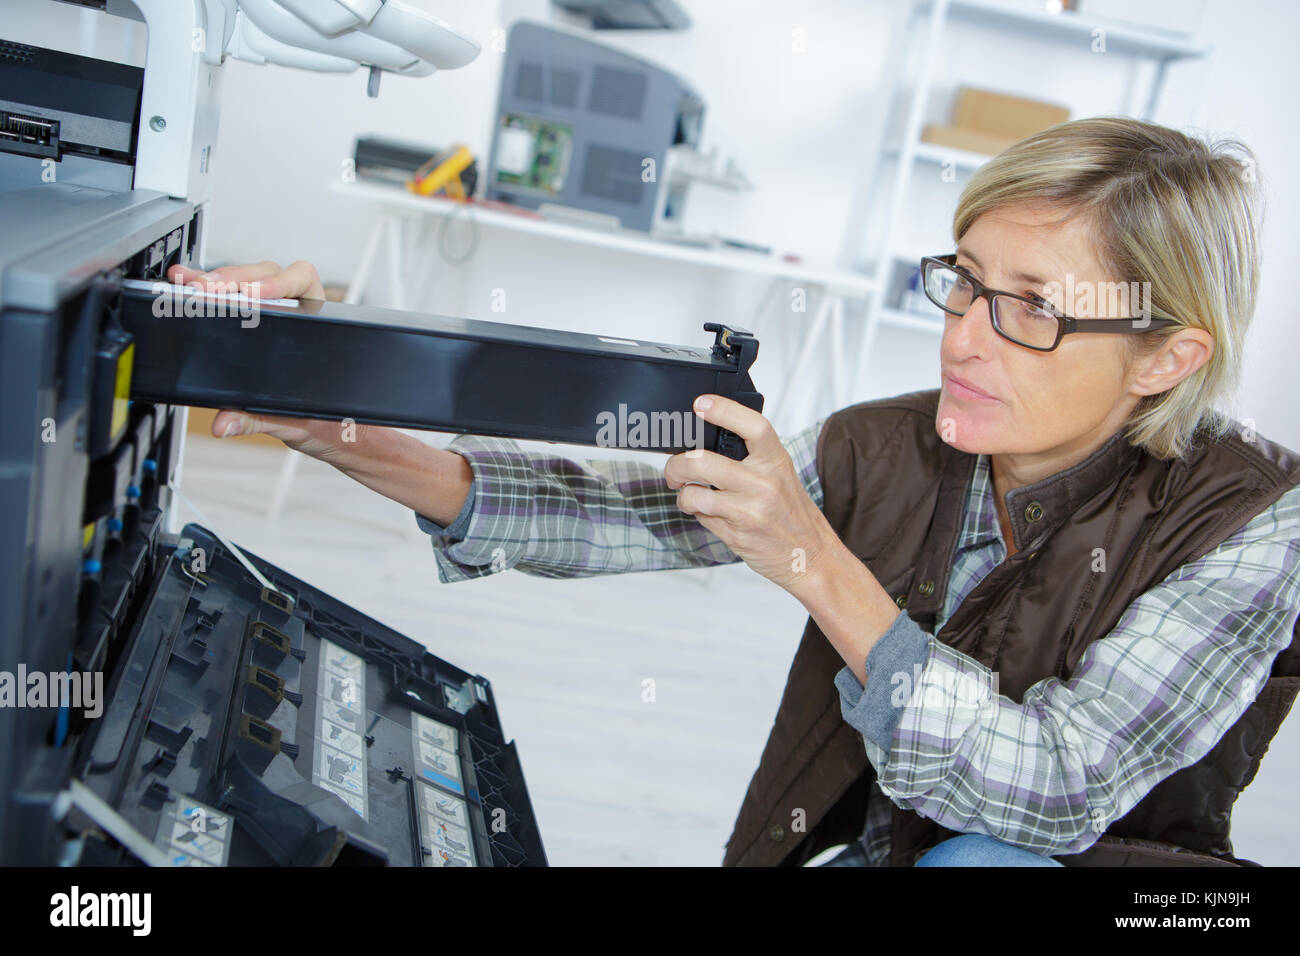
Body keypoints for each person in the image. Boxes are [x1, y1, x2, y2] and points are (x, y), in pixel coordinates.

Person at [167, 116, 1300, 867]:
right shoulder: (889, 445)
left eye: (1032, 307)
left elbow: (1061, 785)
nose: (963, 338)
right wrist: (330, 410)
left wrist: (812, 559)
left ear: (1165, 357)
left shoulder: (1253, 519)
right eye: (964, 282)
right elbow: (626, 512)